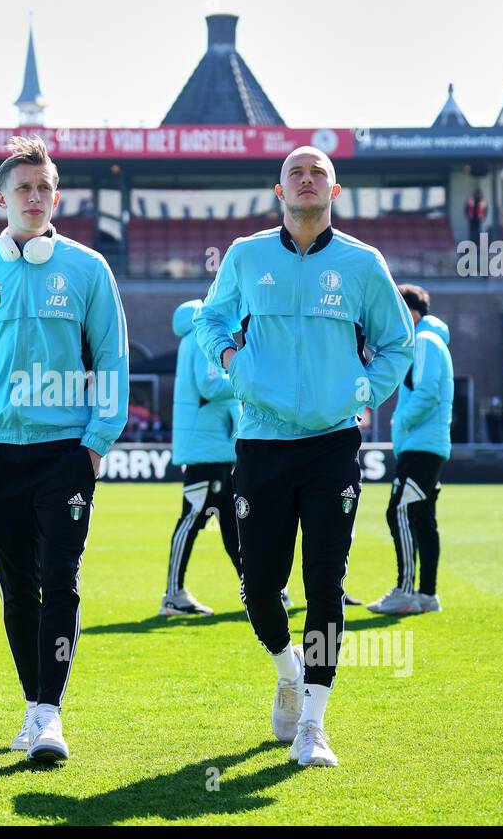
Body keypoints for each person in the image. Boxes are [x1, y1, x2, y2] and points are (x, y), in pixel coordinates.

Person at [195, 145, 414, 768]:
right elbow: (211, 322)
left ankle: (313, 723)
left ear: (335, 191)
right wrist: (234, 366)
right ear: (279, 190)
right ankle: (287, 667)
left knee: (326, 581)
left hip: (333, 444)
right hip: (261, 443)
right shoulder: (246, 256)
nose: (308, 179)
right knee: (259, 585)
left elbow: (398, 342)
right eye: (297, 172)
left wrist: (363, 388)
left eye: (319, 172)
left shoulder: (363, 264)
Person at [0, 136, 129, 763]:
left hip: (64, 456)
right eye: (23, 187)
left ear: (56, 195)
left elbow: (110, 358)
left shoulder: (88, 269)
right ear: (1, 198)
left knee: (60, 580)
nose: (35, 196)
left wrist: (96, 445)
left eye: (45, 186)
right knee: (17, 590)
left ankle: (50, 715)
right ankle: (32, 707)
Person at [367, 285, 453, 615]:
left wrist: (401, 423)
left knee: (399, 511)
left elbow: (428, 392)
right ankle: (427, 594)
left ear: (412, 314)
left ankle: (405, 592)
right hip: (426, 445)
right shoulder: (431, 342)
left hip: (420, 444)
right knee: (421, 518)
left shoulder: (425, 342)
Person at [159, 298, 243, 617]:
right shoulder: (201, 337)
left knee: (233, 524)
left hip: (213, 444)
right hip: (207, 445)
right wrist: (244, 380)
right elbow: (209, 384)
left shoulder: (195, 335)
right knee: (192, 518)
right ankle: (172, 594)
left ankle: (255, 588)